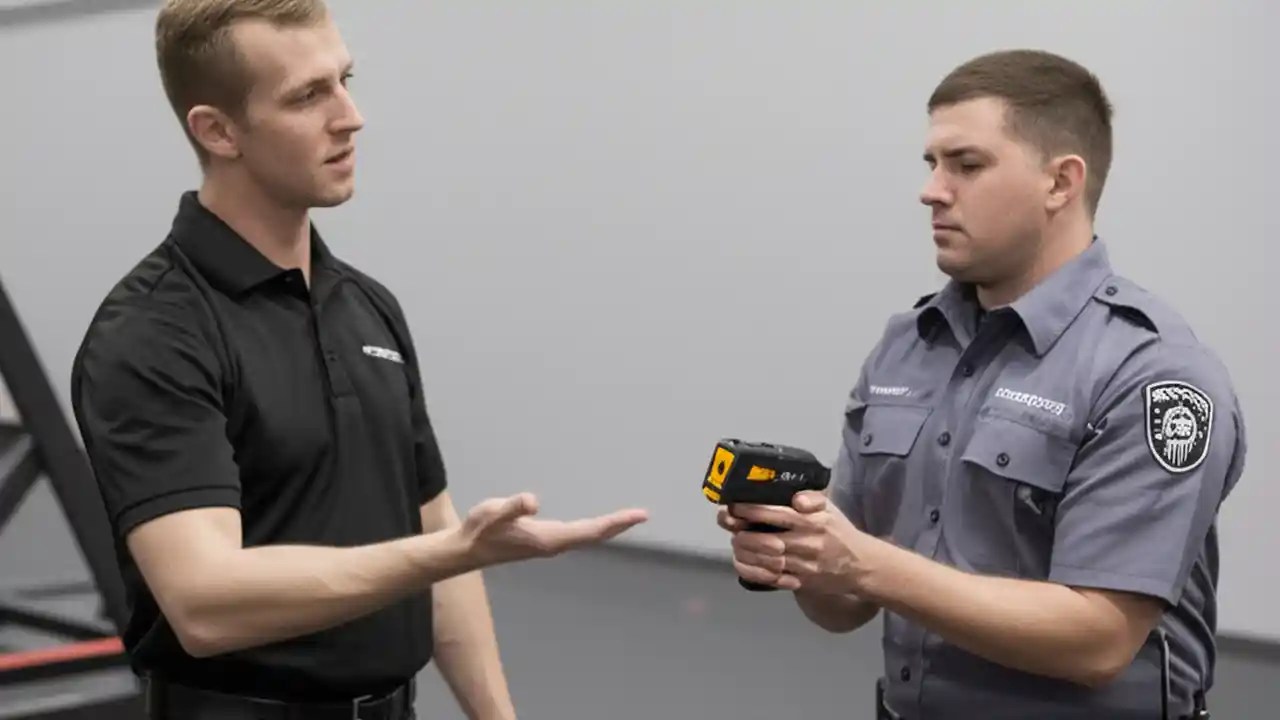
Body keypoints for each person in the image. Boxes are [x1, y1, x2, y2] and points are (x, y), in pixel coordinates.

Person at [69, 2, 648, 719]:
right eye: (307, 96)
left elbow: (434, 528)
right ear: (218, 131)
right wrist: (456, 551)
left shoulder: (368, 307)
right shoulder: (154, 332)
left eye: (343, 81)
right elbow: (205, 604)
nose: (350, 117)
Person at [718, 49, 1246, 720]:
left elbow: (1099, 639)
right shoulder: (908, 346)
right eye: (932, 164)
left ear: (1061, 183)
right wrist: (798, 552)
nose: (932, 191)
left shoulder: (1151, 373)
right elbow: (843, 606)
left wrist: (862, 564)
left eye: (966, 166)